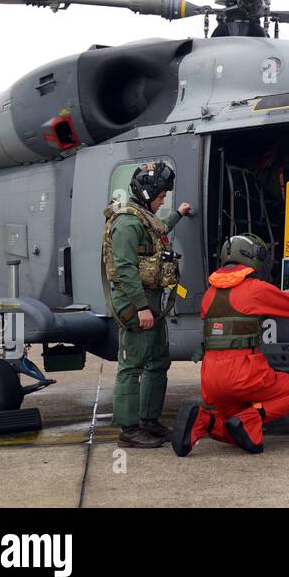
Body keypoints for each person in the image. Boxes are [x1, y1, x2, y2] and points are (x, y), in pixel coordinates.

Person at [170, 234, 289, 456]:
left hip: (211, 380)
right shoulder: (255, 289)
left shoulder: (209, 295)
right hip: (245, 374)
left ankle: (203, 420)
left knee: (234, 430)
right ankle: (253, 416)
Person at [102, 160, 193, 449]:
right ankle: (129, 430)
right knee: (132, 366)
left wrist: (178, 214)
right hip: (135, 303)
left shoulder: (144, 219)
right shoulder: (126, 224)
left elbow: (160, 228)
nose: (163, 200)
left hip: (152, 301)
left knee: (157, 362)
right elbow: (126, 268)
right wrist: (141, 307)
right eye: (160, 196)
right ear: (145, 194)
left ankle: (148, 421)